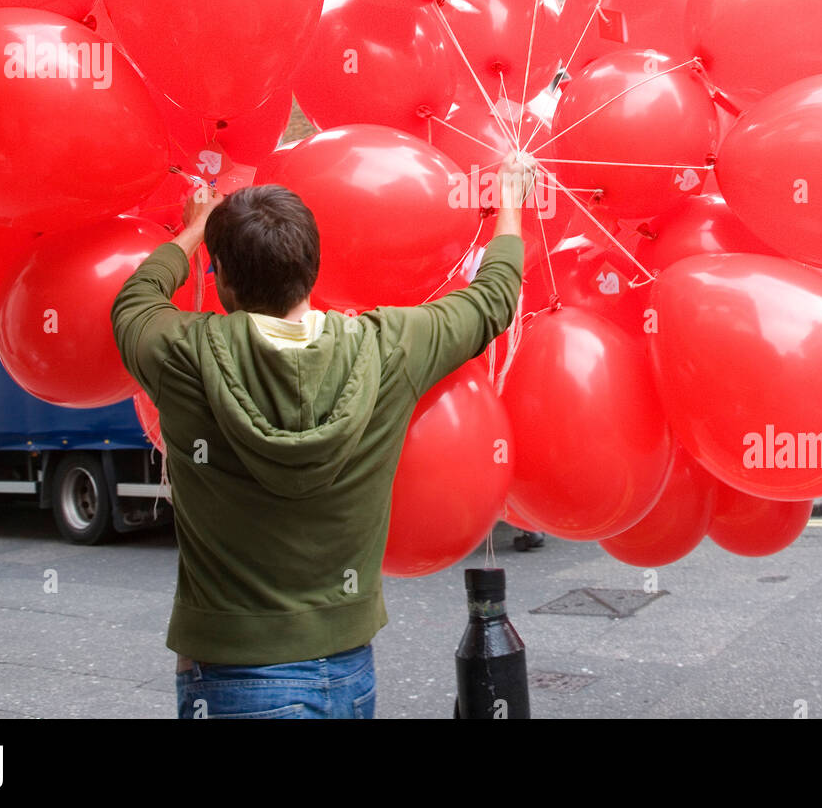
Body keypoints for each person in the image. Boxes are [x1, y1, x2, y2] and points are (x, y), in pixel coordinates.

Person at [111, 156, 532, 719]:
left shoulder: (181, 354)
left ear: (224, 280)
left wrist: (191, 229)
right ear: (312, 268)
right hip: (347, 671)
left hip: (230, 678)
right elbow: (493, 297)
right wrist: (510, 201)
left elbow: (134, 300)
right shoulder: (388, 348)